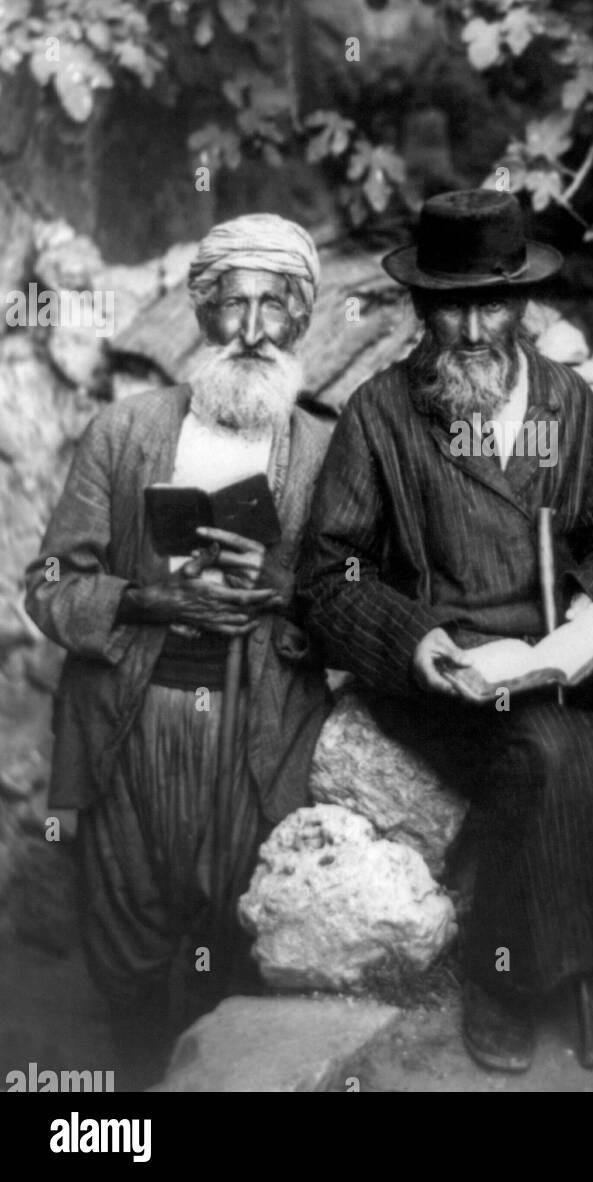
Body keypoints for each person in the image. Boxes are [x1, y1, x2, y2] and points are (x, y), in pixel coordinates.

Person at [297, 188, 593, 1075]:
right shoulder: (379, 415)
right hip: (458, 658)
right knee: (554, 750)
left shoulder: (562, 399)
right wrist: (417, 643)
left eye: (491, 304)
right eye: (451, 306)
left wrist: (592, 617)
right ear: (423, 307)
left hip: (563, 629)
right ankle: (509, 974)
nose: (471, 330)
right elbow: (329, 574)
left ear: (522, 303)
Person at [25, 214, 332, 1076]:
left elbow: (357, 602)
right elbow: (49, 587)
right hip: (133, 721)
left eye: (275, 306)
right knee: (125, 928)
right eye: (230, 304)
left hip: (260, 728)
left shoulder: (325, 451)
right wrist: (148, 600)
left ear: (302, 318)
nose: (251, 330)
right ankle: (130, 1098)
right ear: (201, 312)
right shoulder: (125, 434)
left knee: (236, 929)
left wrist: (282, 593)